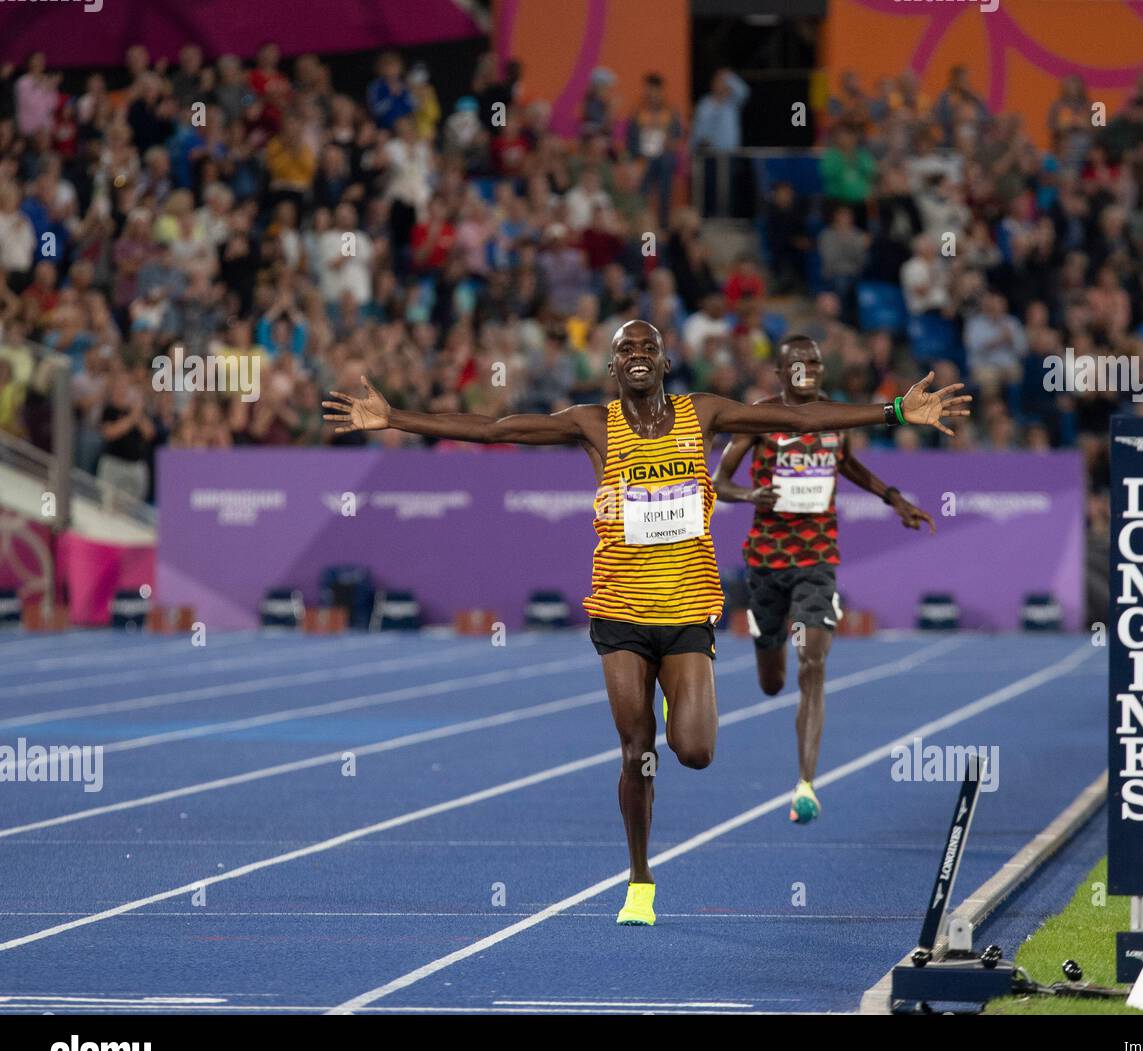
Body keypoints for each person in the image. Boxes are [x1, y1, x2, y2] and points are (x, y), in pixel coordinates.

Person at [323, 320, 970, 924]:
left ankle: (675, 705)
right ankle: (639, 878)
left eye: (647, 348)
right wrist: (393, 418)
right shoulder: (592, 424)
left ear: (665, 361)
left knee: (694, 751)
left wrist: (891, 411)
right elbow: (496, 429)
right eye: (625, 349)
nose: (636, 356)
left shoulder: (705, 412)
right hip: (620, 612)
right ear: (611, 366)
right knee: (637, 752)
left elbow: (796, 415)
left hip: (688, 612)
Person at [713, 335, 935, 823]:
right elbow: (718, 483)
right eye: (797, 362)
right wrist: (751, 496)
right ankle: (763, 636)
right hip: (766, 560)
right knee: (772, 681)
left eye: (814, 361)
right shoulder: (758, 416)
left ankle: (805, 784)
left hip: (817, 557)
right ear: (779, 371)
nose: (807, 368)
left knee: (812, 663)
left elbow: (849, 465)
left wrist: (893, 497)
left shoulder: (834, 419)